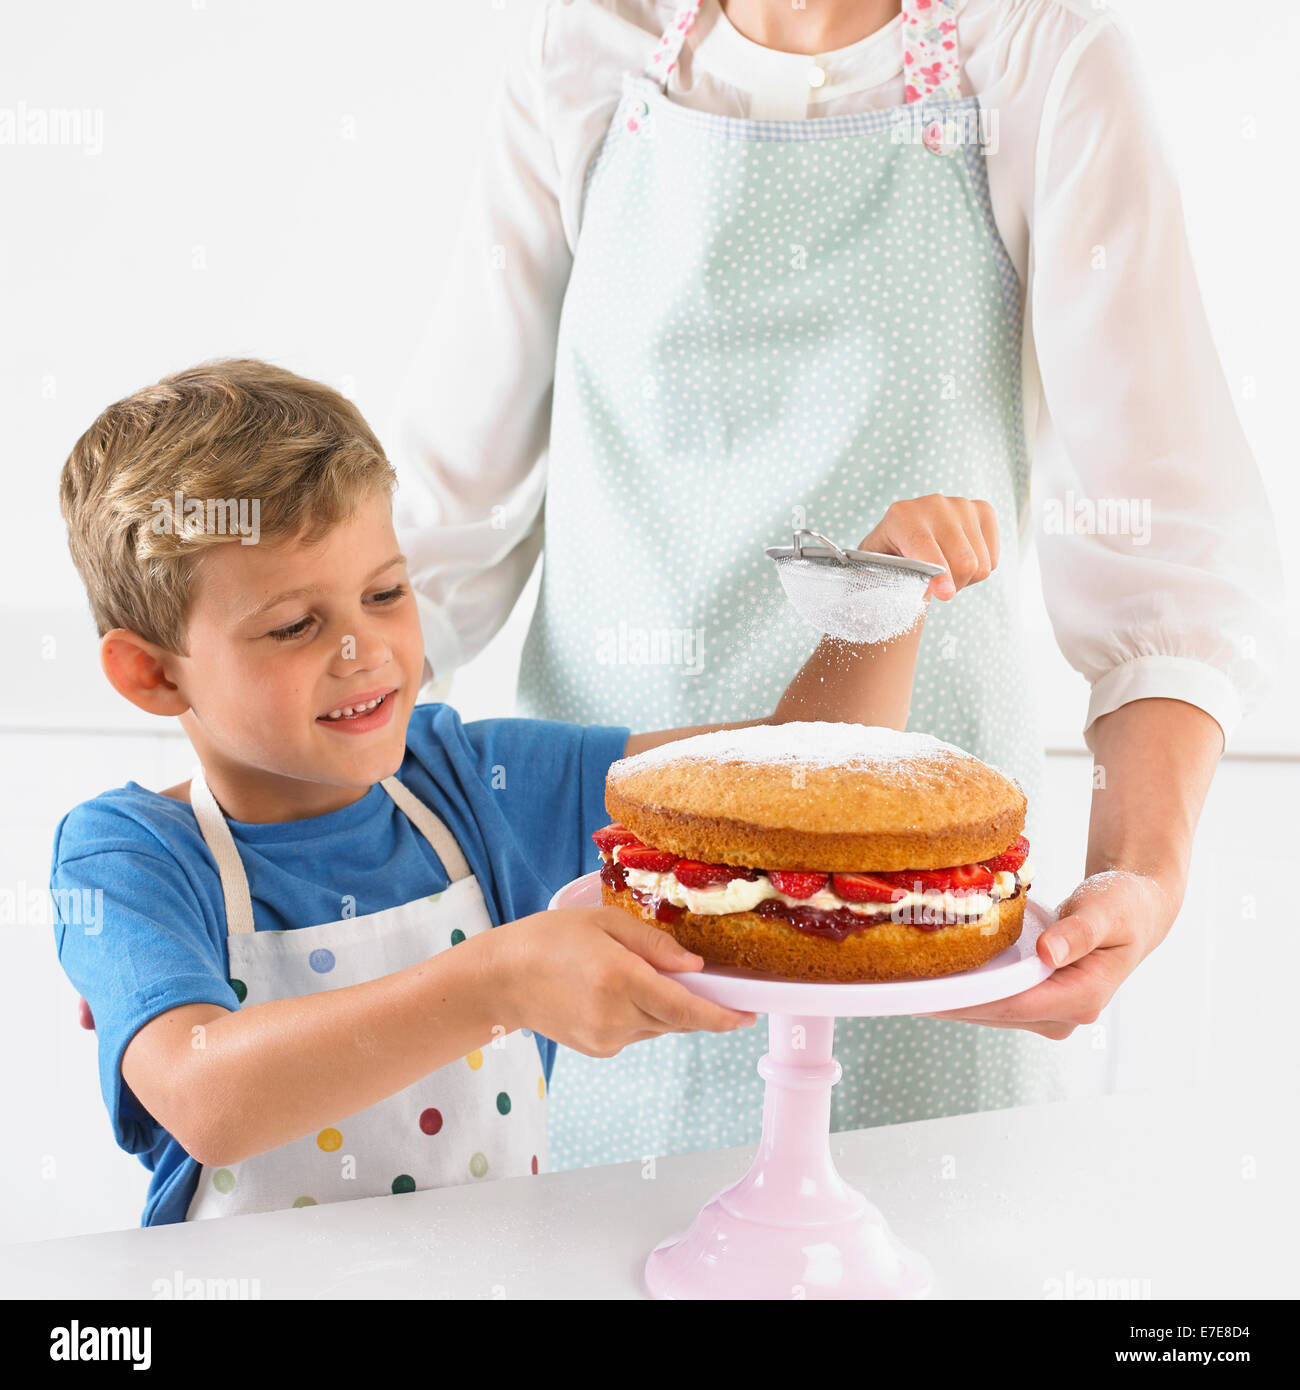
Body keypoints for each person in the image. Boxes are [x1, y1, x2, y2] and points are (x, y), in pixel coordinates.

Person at [391, 0, 1284, 1170]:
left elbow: (1166, 552)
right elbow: (432, 546)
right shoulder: (584, 55)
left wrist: (1139, 881)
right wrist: (259, 862)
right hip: (605, 891)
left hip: (918, 908)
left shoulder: (1036, 66)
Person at [50, 356, 994, 1224]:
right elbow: (210, 1099)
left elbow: (797, 781)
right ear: (152, 675)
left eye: (386, 594)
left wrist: (880, 597)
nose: (366, 650)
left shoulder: (477, 783)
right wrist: (497, 980)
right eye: (295, 625)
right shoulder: (128, 854)